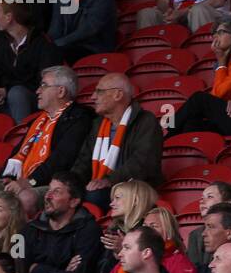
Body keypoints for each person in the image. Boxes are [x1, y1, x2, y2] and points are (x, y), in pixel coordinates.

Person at [70, 73, 164, 204]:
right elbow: (83, 162)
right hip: (100, 187)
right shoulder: (98, 124)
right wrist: (70, 185)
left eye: (99, 91)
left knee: (92, 197)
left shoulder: (146, 121)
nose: (93, 97)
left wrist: (109, 180)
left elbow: (143, 163)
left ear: (118, 95)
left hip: (135, 190)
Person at [0, 66, 94, 194]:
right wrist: (7, 177)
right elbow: (18, 151)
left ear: (61, 91)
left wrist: (31, 181)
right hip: (23, 180)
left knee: (26, 197)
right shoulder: (38, 121)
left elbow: (61, 159)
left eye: (44, 85)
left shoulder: (78, 119)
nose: (38, 91)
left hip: (49, 184)